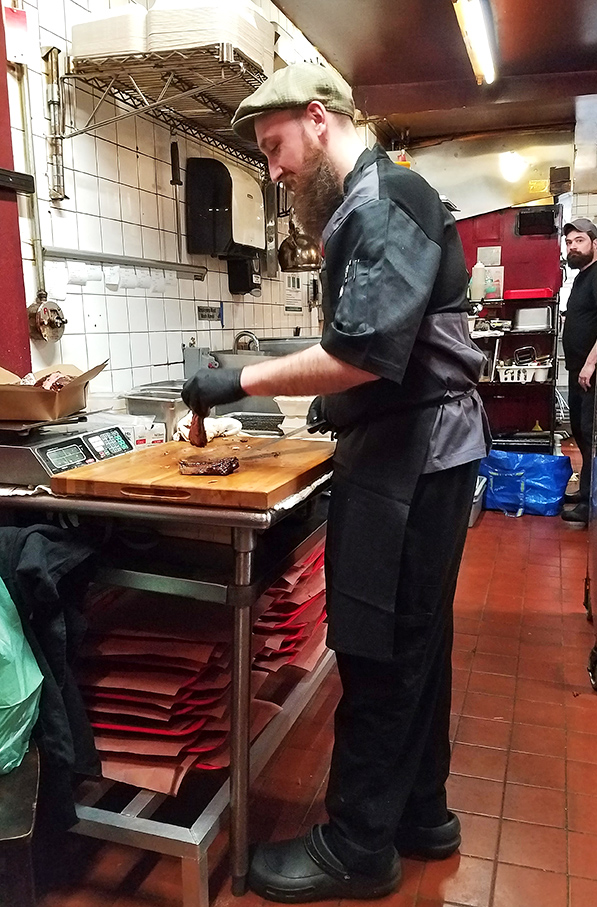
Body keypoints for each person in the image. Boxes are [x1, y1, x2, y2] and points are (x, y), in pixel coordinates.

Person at [182, 63, 490, 903]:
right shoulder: (365, 203)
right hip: (415, 444)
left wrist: (233, 380)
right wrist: (336, 405)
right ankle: (422, 811)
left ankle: (359, 846)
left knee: (378, 644)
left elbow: (362, 351)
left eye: (276, 149)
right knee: (417, 638)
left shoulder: (386, 201)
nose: (274, 172)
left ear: (319, 120)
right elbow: (381, 353)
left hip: (415, 455)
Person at [560, 217, 597, 525]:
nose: (572, 247)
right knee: (580, 434)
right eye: (569, 242)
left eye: (579, 241)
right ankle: (586, 492)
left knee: (589, 434)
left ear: (594, 243)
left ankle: (591, 503)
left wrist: (590, 363)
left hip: (590, 373)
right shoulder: (581, 277)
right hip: (578, 372)